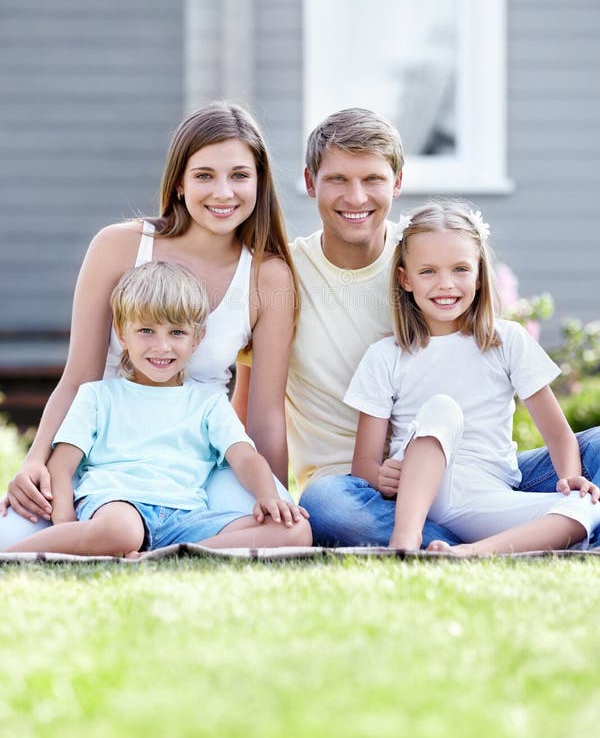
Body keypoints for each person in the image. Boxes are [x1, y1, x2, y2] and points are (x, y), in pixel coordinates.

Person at [236, 106, 600, 548]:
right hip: (363, 489)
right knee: (329, 503)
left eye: (372, 179)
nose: (356, 197)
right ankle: (524, 540)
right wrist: (276, 509)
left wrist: (567, 481)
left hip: (484, 474)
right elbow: (259, 405)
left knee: (595, 448)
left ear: (398, 182)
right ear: (311, 183)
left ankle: (497, 539)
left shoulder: (431, 254)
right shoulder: (281, 276)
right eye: (338, 179)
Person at [0, 102, 297, 548]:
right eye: (204, 176)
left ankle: (167, 552)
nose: (223, 192)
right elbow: (79, 377)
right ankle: (109, 535)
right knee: (11, 536)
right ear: (179, 183)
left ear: (260, 182)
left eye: (239, 175)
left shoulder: (268, 275)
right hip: (106, 452)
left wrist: (276, 495)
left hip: (199, 460)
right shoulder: (119, 247)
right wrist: (36, 461)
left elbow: (266, 416)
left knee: (290, 531)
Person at [345, 200, 600, 555]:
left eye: (460, 269)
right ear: (405, 278)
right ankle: (404, 542)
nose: (446, 284)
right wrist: (377, 477)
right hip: (423, 494)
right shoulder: (386, 355)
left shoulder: (507, 340)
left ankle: (469, 552)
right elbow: (364, 464)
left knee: (588, 506)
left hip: (491, 497)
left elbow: (558, 433)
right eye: (428, 271)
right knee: (442, 410)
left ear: (480, 275)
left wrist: (571, 479)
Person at [5, 263, 310, 556]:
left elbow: (245, 457)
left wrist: (269, 497)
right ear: (122, 334)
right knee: (123, 532)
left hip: (186, 517)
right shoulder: (97, 397)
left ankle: (169, 554)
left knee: (296, 531)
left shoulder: (207, 404)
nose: (162, 347)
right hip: (116, 505)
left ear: (197, 339)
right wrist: (67, 526)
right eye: (147, 331)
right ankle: (10, 555)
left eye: (176, 332)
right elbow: (61, 467)